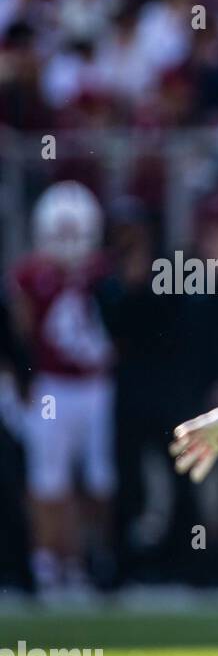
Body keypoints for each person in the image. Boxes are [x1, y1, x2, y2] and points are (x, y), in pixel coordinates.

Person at [10, 181, 116, 593]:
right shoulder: (30, 276)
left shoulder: (103, 274)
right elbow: (20, 334)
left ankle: (87, 560)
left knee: (98, 479)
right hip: (51, 386)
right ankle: (47, 563)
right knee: (48, 479)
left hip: (95, 386)